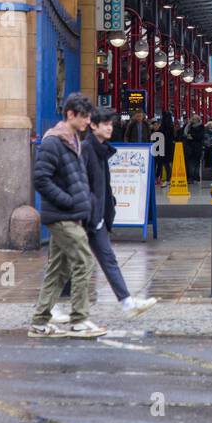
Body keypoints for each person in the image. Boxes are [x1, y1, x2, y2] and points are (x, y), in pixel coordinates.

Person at [52, 107, 159, 323]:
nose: (110, 128)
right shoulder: (87, 149)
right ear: (93, 126)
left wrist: (107, 206)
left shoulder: (100, 149)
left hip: (96, 216)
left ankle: (127, 303)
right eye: (106, 124)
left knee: (107, 259)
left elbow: (102, 185)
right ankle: (58, 311)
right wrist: (90, 210)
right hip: (84, 216)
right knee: (65, 264)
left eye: (112, 123)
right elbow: (80, 184)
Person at [29, 93, 104, 339]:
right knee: (84, 261)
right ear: (70, 114)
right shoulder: (54, 142)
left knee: (58, 269)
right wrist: (68, 201)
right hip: (61, 215)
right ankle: (79, 320)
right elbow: (40, 179)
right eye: (83, 117)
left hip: (71, 214)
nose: (87, 122)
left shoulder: (73, 140)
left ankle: (39, 322)